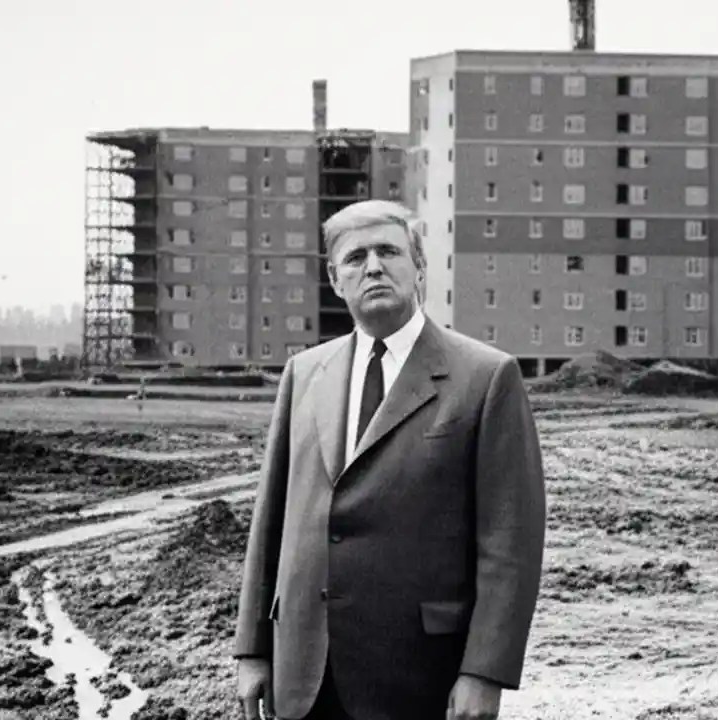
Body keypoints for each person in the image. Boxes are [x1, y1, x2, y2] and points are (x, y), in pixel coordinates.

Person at [234, 200, 547, 720]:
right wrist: (252, 647)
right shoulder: (303, 374)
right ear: (336, 280)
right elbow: (270, 523)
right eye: (355, 257)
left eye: (389, 251)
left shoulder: (486, 378)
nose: (373, 266)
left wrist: (484, 672)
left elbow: (510, 541)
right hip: (305, 672)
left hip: (420, 675)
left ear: (419, 267)